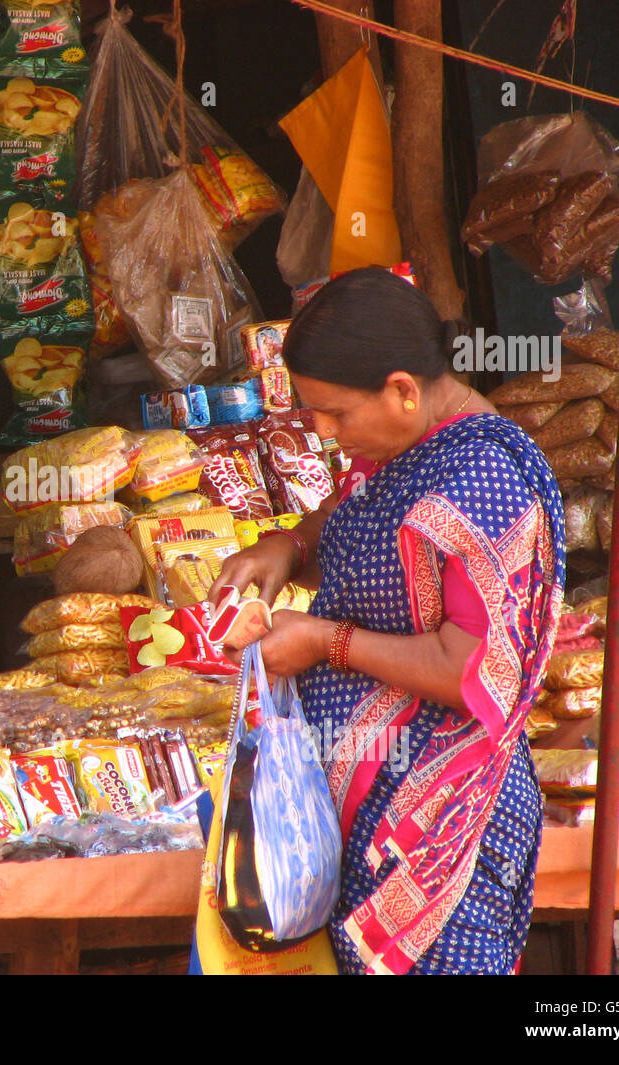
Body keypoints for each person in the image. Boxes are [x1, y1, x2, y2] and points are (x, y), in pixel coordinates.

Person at [211, 267, 564, 975]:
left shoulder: (482, 479)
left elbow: (468, 668)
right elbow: (355, 524)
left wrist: (322, 640)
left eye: (336, 414)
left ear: (404, 390)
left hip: (443, 835)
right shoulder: (400, 452)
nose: (324, 431)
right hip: (373, 816)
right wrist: (287, 547)